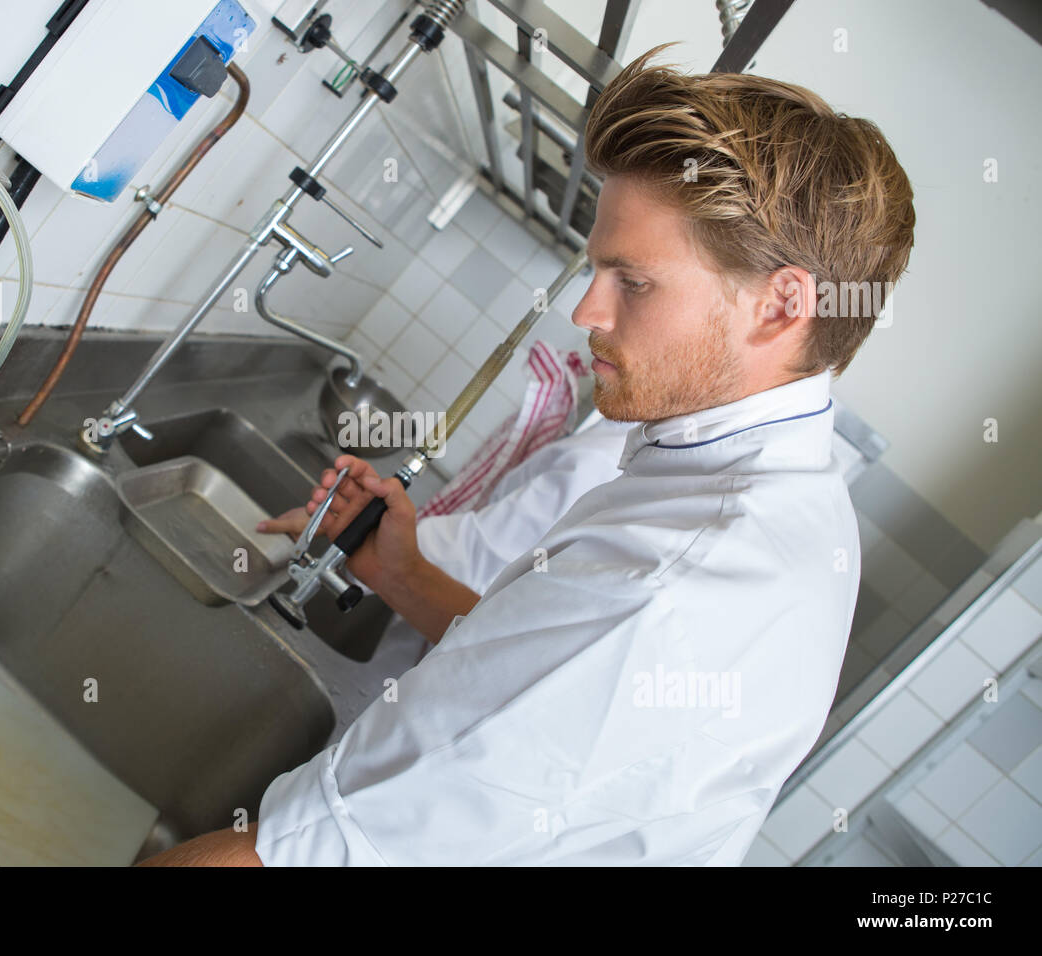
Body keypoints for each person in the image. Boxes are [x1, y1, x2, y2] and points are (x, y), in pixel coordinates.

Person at [138, 44, 916, 867]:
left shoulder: (680, 573)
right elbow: (540, 678)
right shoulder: (747, 489)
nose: (587, 311)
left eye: (634, 281)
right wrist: (401, 572)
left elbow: (307, 857)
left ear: (780, 304)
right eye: (595, 272)